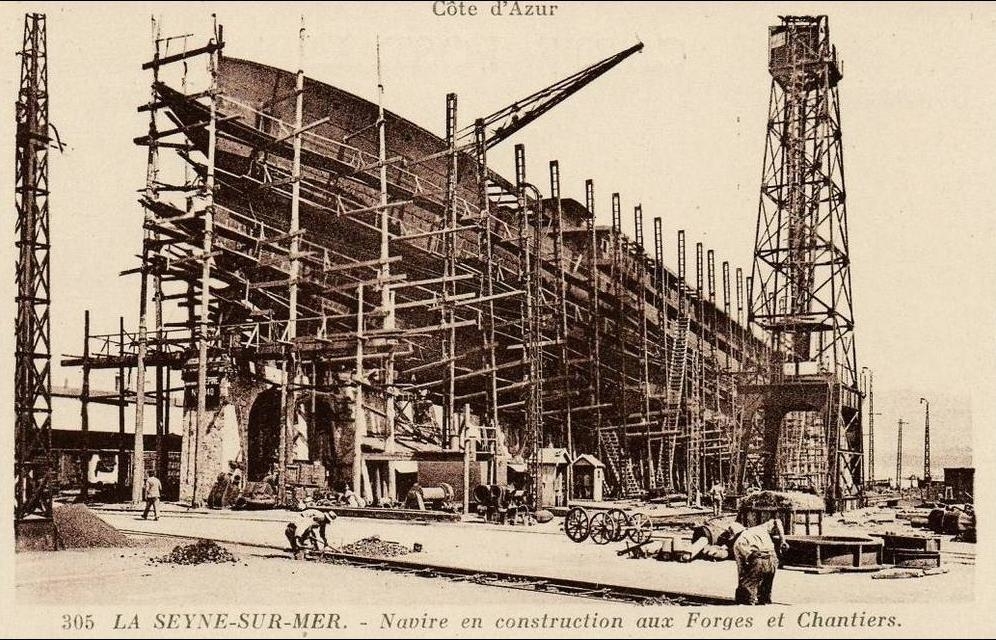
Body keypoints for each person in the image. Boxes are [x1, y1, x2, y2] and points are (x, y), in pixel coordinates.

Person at [720, 519, 788, 605]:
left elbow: (741, 568)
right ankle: (766, 606)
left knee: (745, 592)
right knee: (765, 591)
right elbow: (777, 521)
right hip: (773, 560)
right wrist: (783, 541)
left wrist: (742, 585)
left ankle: (747, 608)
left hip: (758, 561)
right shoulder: (759, 528)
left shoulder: (738, 543)